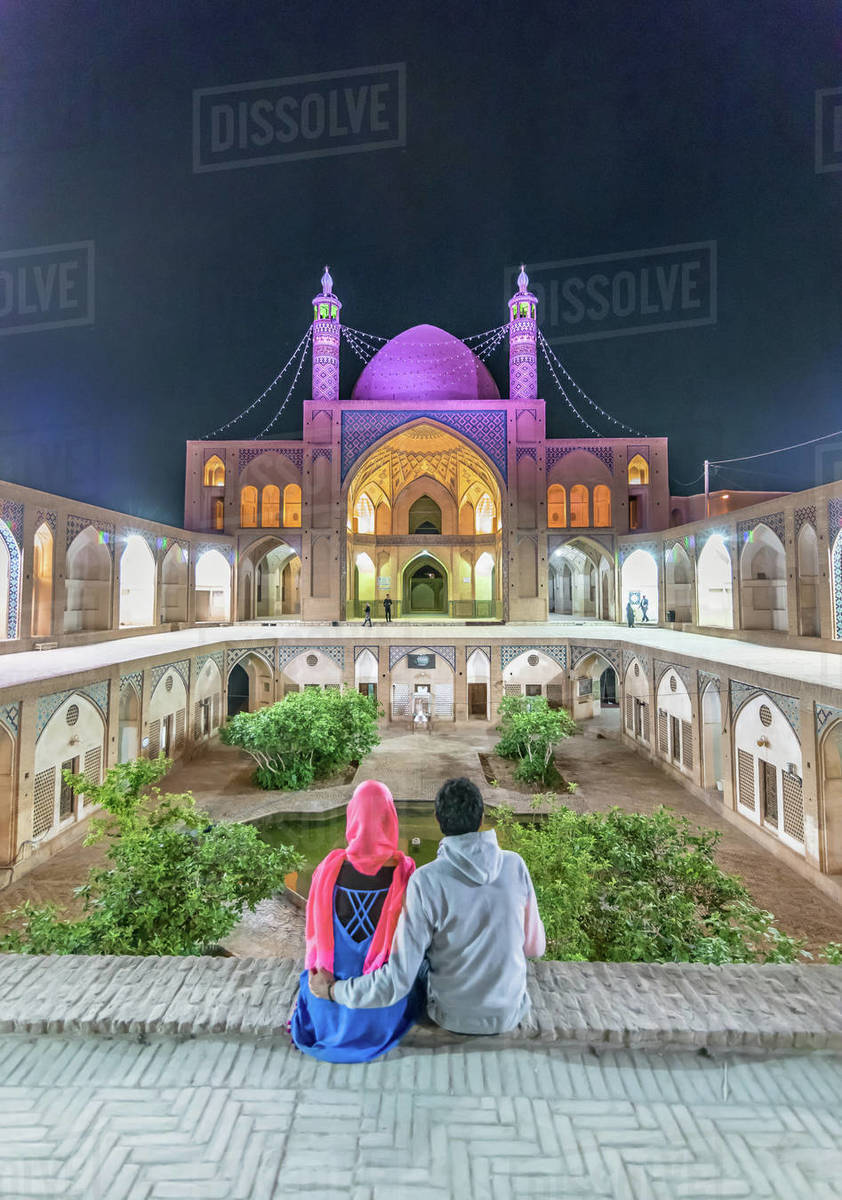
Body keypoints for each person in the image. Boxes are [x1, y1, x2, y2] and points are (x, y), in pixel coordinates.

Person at [310, 777, 546, 1036]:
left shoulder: (426, 879)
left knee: (418, 957)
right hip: (510, 1013)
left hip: (450, 1016)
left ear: (437, 818)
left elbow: (396, 982)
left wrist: (333, 991)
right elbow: (535, 948)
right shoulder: (515, 865)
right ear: (481, 817)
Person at [290, 780, 422, 1062]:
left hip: (326, 1008)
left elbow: (312, 944)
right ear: (389, 820)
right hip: (380, 1011)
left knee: (306, 980)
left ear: (353, 817)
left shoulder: (327, 870)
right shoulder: (405, 874)